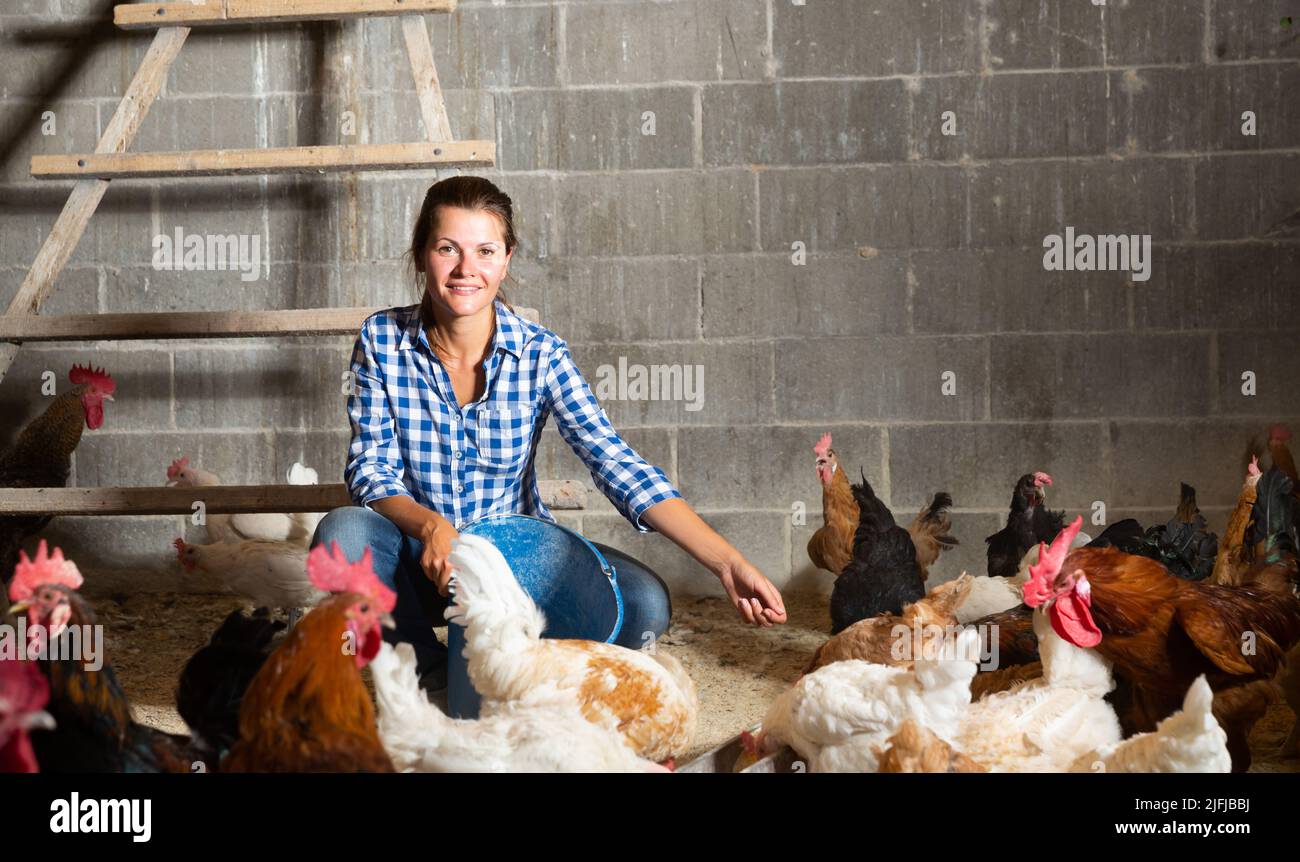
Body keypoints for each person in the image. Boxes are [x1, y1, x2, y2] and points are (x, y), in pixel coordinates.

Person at [311, 175, 787, 693]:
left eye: (485, 251)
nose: (467, 269)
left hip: (516, 568)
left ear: (507, 258)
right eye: (448, 248)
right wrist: (429, 528)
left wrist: (727, 562)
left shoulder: (541, 354)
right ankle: (429, 676)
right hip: (421, 569)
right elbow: (370, 468)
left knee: (646, 605)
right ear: (423, 253)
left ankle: (515, 657)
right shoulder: (381, 339)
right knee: (344, 533)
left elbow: (614, 462)